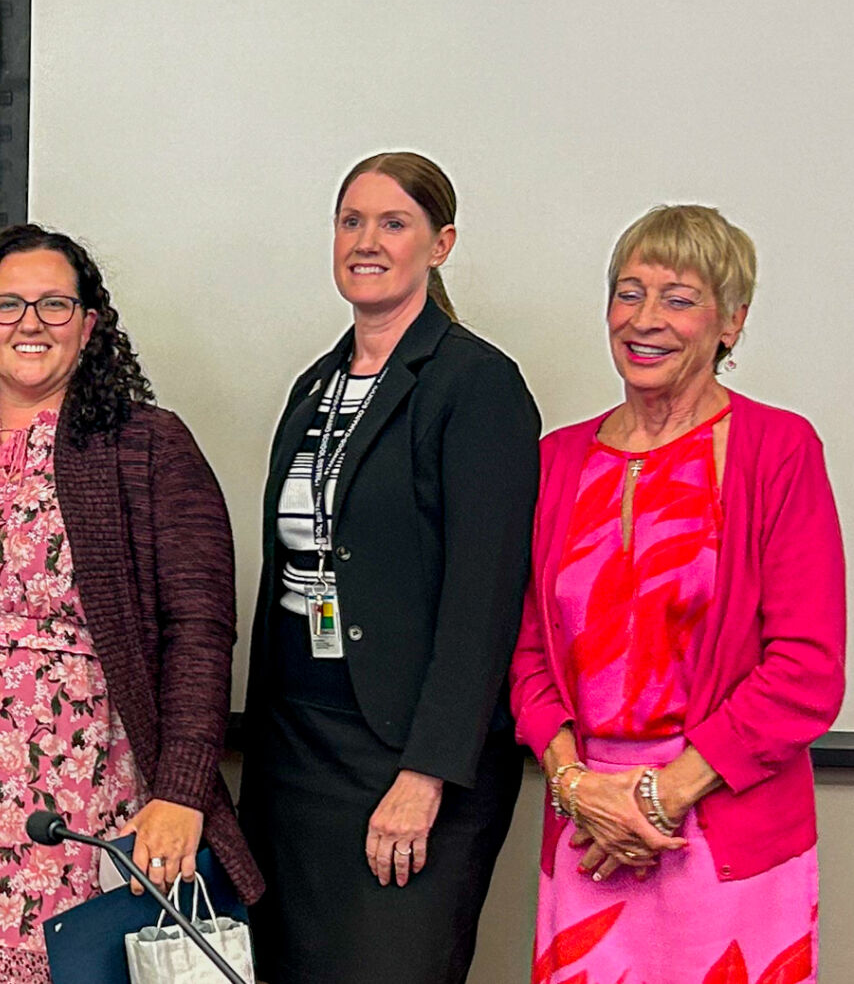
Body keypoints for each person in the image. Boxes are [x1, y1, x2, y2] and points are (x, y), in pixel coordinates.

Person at [0, 224, 262, 980]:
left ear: (90, 325)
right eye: (8, 304)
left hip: (94, 797)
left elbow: (201, 628)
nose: (30, 323)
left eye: (55, 304)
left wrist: (182, 790)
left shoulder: (148, 444)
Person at [510, 204, 841, 981]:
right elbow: (526, 654)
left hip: (725, 833)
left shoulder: (779, 450)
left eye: (678, 298)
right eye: (629, 293)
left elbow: (808, 668)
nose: (644, 319)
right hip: (588, 828)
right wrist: (575, 784)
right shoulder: (557, 460)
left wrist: (662, 797)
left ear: (731, 322)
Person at [237, 152, 540, 984]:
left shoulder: (477, 385)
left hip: (406, 761)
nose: (366, 241)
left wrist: (427, 773)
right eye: (351, 221)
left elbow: (484, 604)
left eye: (393, 223)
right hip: (298, 753)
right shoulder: (314, 386)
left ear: (440, 244)